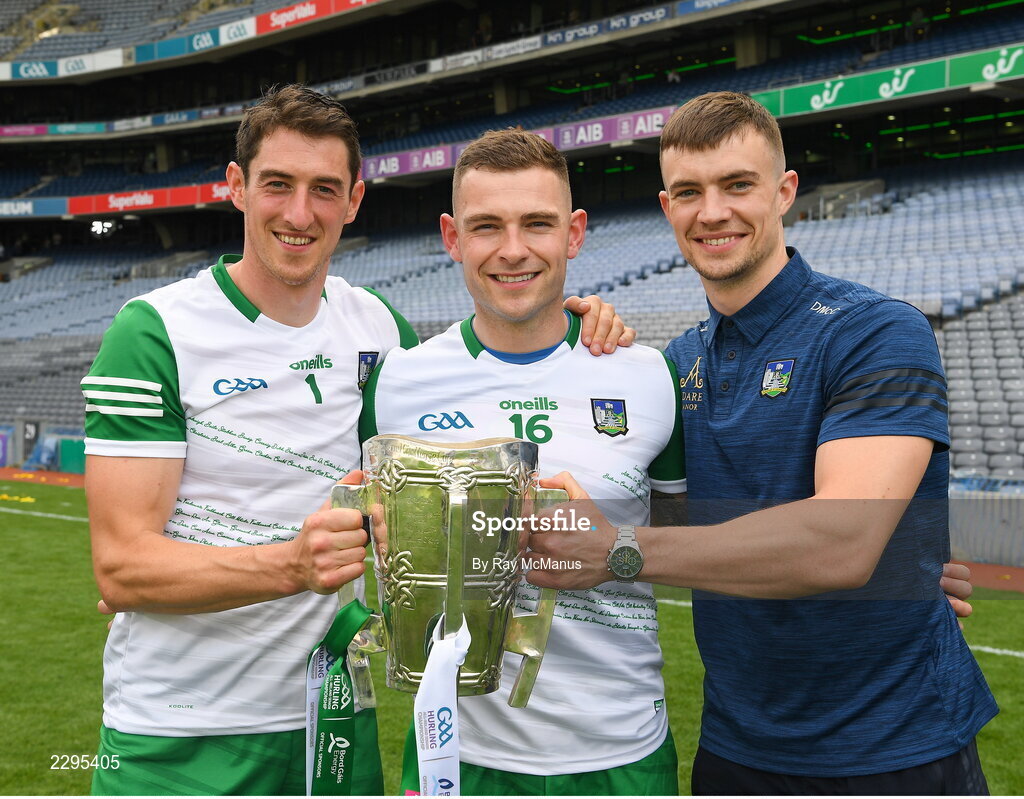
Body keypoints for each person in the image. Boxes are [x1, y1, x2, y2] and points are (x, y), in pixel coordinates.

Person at [81, 85, 627, 796]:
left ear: (355, 201)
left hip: (336, 723)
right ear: (238, 186)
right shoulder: (153, 332)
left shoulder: (380, 330)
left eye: (325, 189)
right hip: (181, 730)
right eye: (278, 185)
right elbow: (122, 567)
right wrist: (288, 565)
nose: (300, 213)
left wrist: (579, 321)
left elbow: (483, 376)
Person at [527, 91, 998, 794]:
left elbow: (844, 539)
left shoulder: (877, 331)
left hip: (894, 748)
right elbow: (675, 522)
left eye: (737, 185)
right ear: (667, 209)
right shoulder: (673, 363)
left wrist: (617, 551)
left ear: (784, 193)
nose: (711, 211)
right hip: (735, 748)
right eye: (689, 191)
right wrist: (585, 342)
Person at [357, 128, 687, 795]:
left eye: (537, 223)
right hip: (457, 750)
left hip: (619, 752)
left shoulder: (648, 376)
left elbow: (694, 541)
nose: (513, 250)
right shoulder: (397, 381)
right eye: (487, 226)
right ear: (453, 237)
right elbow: (367, 526)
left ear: (574, 232)